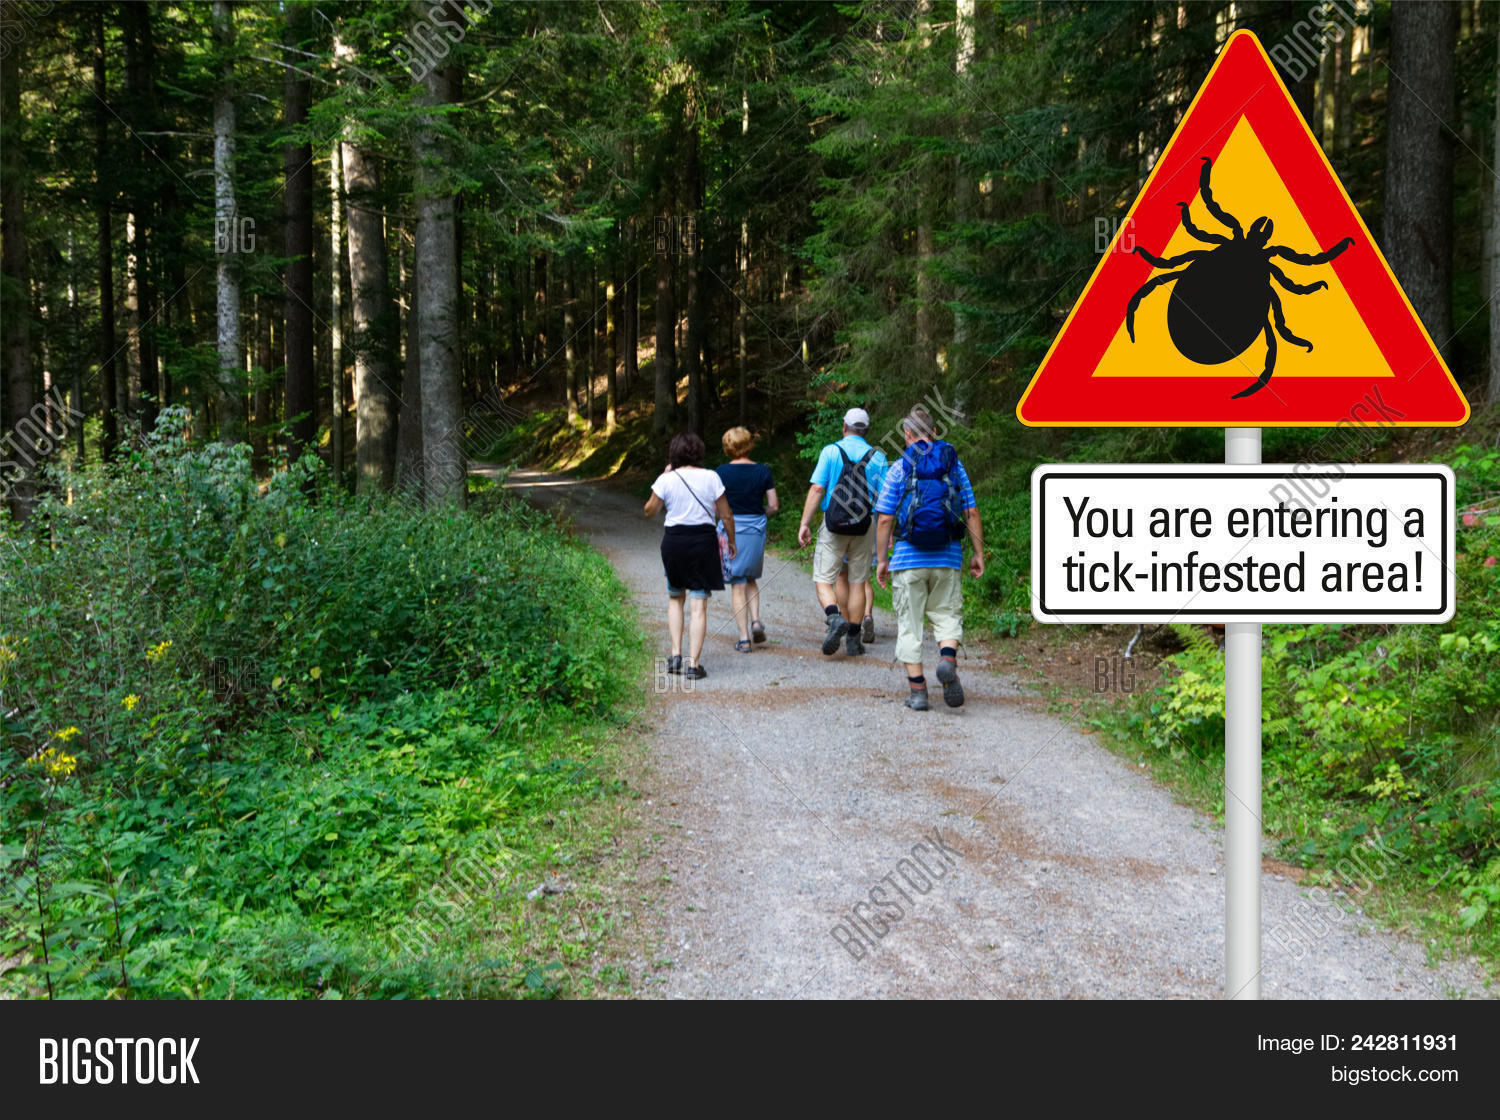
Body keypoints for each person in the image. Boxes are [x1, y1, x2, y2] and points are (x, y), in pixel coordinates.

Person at [874, 406, 984, 710]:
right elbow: (970, 511)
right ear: (934, 432)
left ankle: (919, 692)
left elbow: (885, 518)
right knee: (947, 615)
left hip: (908, 558)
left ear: (907, 435)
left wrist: (882, 559)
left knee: (909, 624)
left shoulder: (900, 467)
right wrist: (978, 554)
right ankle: (947, 661)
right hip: (947, 557)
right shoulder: (953, 465)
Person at [643, 432, 736, 680]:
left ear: (674, 453)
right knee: (698, 605)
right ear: (699, 452)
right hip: (703, 542)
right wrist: (732, 542)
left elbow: (650, 510)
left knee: (675, 598)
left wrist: (663, 478)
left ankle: (675, 656)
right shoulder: (711, 477)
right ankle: (693, 666)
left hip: (674, 542)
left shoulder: (667, 479)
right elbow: (726, 515)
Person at [798, 408, 888, 657]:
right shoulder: (879, 457)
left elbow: (817, 489)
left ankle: (834, 617)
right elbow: (885, 502)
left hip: (833, 525)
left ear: (844, 426)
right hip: (865, 526)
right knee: (858, 581)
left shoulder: (830, 451)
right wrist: (886, 533)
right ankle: (853, 640)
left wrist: (805, 522)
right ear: (866, 430)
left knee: (824, 579)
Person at [716, 427, 778, 652]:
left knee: (737, 583)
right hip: (755, 529)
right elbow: (773, 505)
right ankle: (756, 621)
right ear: (749, 445)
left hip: (731, 529)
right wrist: (759, 514)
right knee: (751, 578)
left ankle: (744, 639)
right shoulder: (763, 471)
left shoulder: (720, 472)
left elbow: (717, 507)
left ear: (728, 447)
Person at [834, 559, 877, 643]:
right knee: (864, 580)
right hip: (864, 546)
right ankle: (867, 616)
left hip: (841, 546)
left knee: (841, 577)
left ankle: (846, 623)